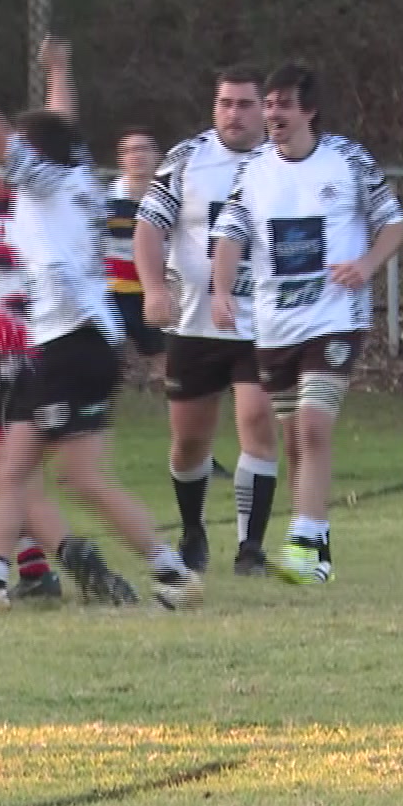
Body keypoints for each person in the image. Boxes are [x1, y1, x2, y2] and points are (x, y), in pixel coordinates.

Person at [0, 38, 203, 611]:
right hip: (89, 347)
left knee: (16, 462)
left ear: (35, 155)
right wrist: (59, 72)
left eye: (19, 149)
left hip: (68, 346)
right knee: (73, 477)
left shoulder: (46, 182)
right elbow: (58, 125)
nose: (3, 157)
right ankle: (170, 571)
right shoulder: (75, 174)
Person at [211, 62, 403, 585]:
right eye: (268, 105)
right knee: (296, 436)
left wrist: (365, 265)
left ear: (309, 111)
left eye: (283, 105)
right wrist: (223, 291)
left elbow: (393, 222)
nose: (272, 114)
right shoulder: (252, 171)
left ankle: (302, 540)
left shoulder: (349, 161)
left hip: (336, 317)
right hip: (274, 325)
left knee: (316, 426)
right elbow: (229, 236)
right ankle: (315, 545)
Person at [0, 152, 134, 607]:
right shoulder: (51, 218)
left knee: (16, 476)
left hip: (11, 361)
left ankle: (80, 564)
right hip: (70, 352)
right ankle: (36, 567)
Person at [133, 67, 280, 575]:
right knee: (190, 441)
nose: (233, 114)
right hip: (194, 323)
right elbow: (149, 229)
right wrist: (154, 289)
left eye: (244, 104)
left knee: (257, 418)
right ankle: (193, 529)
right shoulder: (187, 159)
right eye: (224, 103)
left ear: (265, 109)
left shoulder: (284, 161)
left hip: (260, 322)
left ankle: (250, 546)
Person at [105, 128, 167, 384]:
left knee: (162, 352)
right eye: (129, 151)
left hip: (155, 288)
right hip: (113, 290)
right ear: (120, 159)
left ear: (157, 155)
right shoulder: (105, 200)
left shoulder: (172, 199)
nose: (136, 156)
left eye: (143, 149)